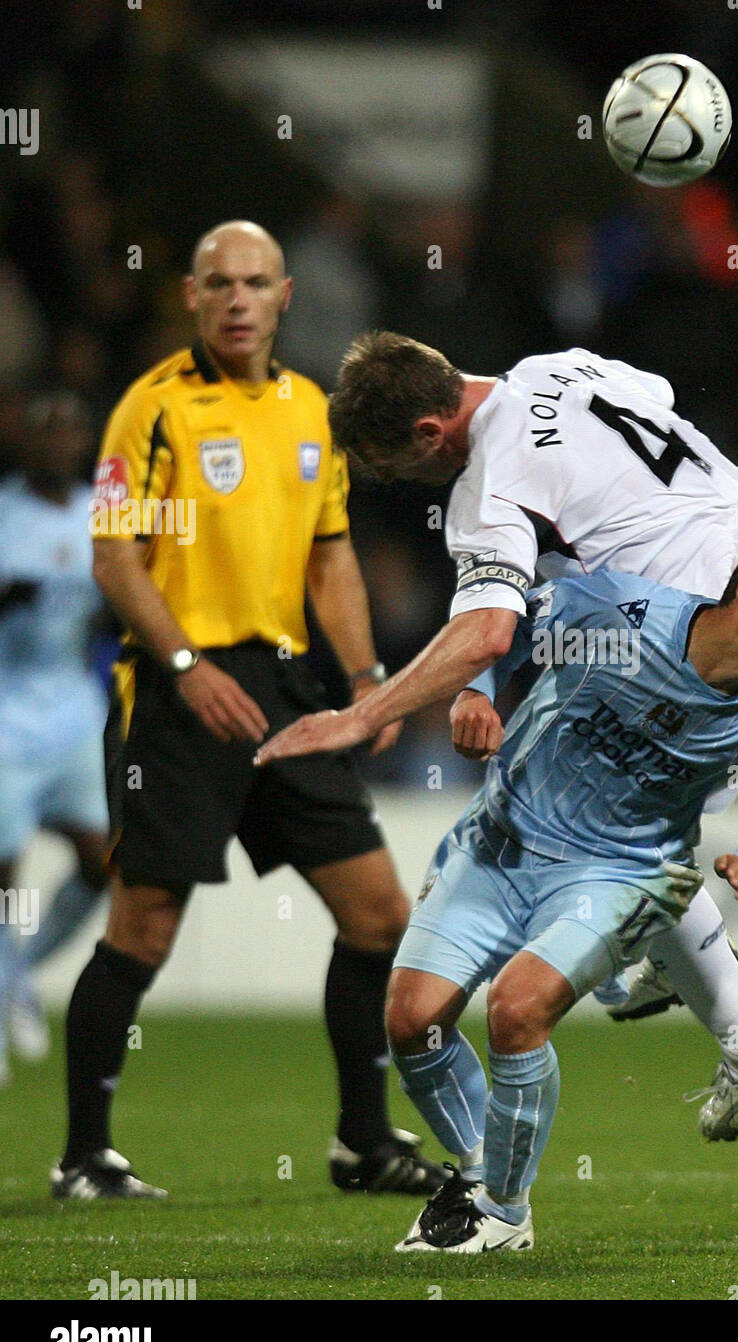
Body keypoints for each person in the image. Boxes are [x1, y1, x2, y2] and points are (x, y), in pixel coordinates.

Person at [255, 335, 738, 1128]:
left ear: (430, 433)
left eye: (393, 468)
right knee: (635, 834)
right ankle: (716, 1011)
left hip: (719, 638)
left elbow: (492, 629)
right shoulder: (558, 367)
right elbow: (652, 407)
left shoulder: (488, 489)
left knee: (597, 827)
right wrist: (477, 681)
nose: (397, 484)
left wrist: (361, 714)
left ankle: (725, 1025)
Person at [52, 222, 444, 1200]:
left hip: (286, 694)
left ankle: (363, 1139)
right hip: (177, 697)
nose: (237, 298)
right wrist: (185, 663)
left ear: (285, 295)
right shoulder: (149, 410)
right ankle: (85, 1154)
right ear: (191, 295)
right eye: (220, 282)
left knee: (378, 914)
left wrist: (366, 680)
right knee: (143, 926)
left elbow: (332, 553)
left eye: (255, 282)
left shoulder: (312, 408)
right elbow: (115, 557)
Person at [387, 536, 738, 1252]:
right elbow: (501, 627)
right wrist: (473, 690)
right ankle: (475, 1176)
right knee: (412, 1022)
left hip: (622, 872)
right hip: (503, 840)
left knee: (516, 1006)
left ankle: (503, 1213)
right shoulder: (618, 613)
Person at [0, 394, 109, 1083]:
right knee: (5, 878)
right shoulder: (5, 515)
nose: (58, 441)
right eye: (46, 428)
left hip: (74, 710)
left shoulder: (100, 515)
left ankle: (17, 977)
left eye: (69, 429)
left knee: (106, 862)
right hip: (7, 714)